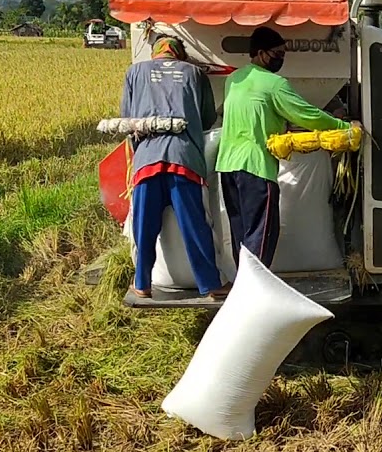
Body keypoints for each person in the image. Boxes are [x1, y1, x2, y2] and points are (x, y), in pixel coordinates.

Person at [216, 26, 361, 269]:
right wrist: (344, 126)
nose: (281, 59)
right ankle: (256, 284)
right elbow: (306, 114)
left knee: (241, 233)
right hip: (256, 166)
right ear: (261, 53)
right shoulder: (274, 83)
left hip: (228, 166)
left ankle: (242, 280)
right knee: (262, 232)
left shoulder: (234, 79)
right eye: (278, 54)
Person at [121, 35, 229, 300]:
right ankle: (211, 285)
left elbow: (127, 118)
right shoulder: (195, 73)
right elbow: (207, 118)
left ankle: (142, 284)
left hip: (147, 161)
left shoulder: (135, 72)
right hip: (184, 160)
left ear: (155, 51)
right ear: (180, 53)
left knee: (144, 227)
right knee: (195, 226)